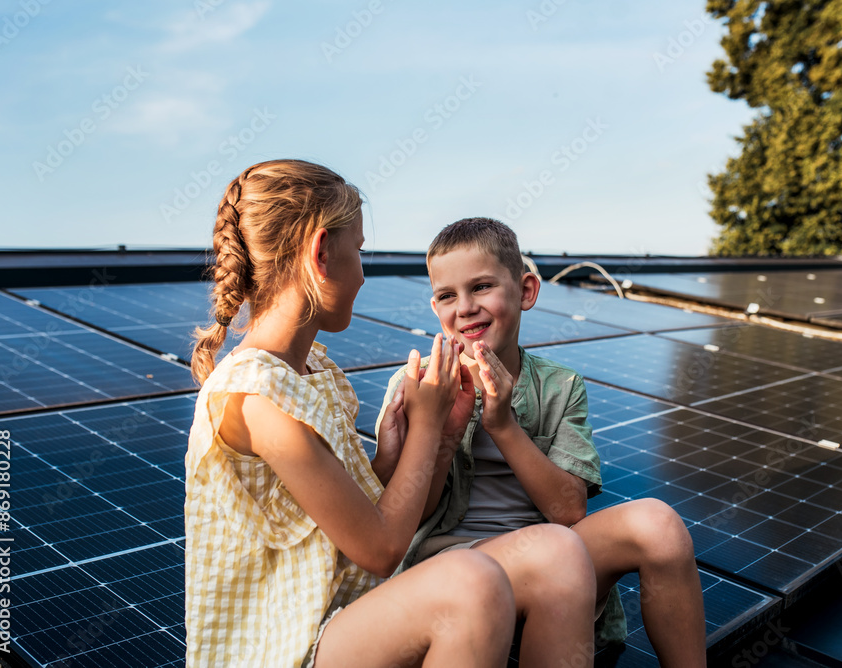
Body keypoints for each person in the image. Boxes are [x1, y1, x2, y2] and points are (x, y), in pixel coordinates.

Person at [185, 162, 515, 668]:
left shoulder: (311, 372)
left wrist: (417, 447)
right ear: (321, 253)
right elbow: (381, 548)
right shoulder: (256, 398)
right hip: (282, 651)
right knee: (471, 582)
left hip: (333, 628)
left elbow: (352, 518)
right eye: (358, 250)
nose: (362, 273)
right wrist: (425, 424)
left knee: (478, 576)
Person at [376, 217, 707, 667]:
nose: (466, 307)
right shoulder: (416, 385)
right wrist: (442, 432)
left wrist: (503, 424)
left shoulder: (560, 386)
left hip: (556, 559)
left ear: (526, 291)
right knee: (555, 553)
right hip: (452, 567)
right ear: (436, 307)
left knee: (659, 526)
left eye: (482, 287)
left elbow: (569, 511)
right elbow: (411, 517)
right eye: (447, 296)